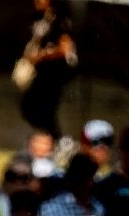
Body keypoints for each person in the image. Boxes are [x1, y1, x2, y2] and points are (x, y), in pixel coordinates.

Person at [17, 0, 77, 138]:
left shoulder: (60, 17)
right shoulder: (37, 18)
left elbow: (64, 49)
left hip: (56, 70)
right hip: (42, 70)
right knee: (30, 108)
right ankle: (51, 140)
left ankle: (57, 140)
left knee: (44, 110)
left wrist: (40, 56)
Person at [36, 156, 103, 216]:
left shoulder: (99, 209)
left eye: (90, 177)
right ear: (70, 179)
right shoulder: (49, 210)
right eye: (81, 177)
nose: (87, 182)